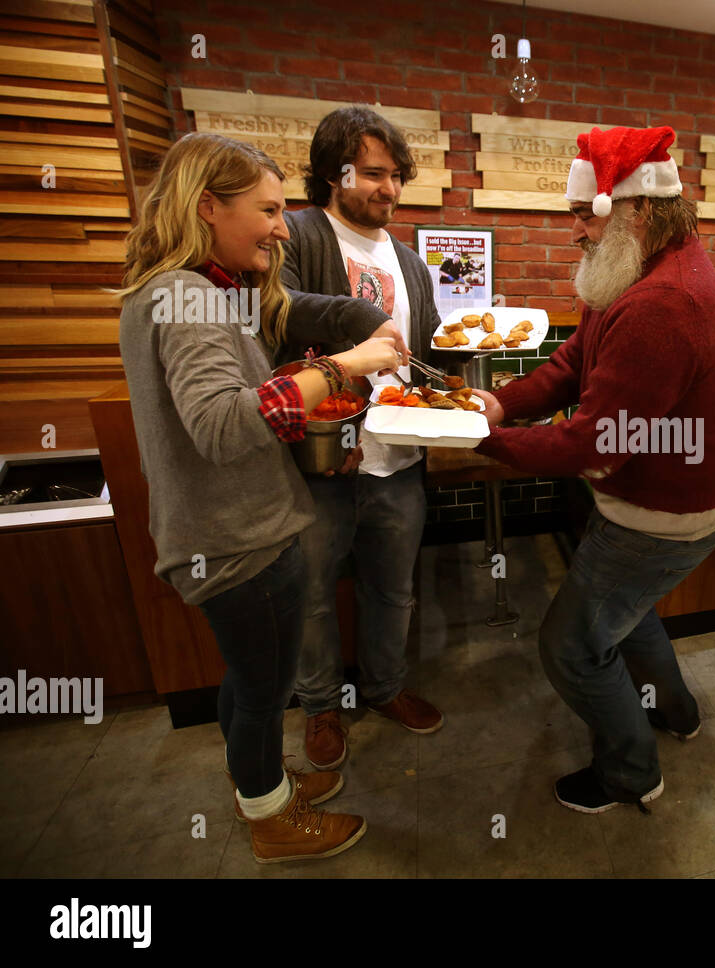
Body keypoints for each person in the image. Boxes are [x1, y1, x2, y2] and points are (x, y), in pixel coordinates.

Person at [116, 132, 401, 862]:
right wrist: (344, 368)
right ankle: (272, 821)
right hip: (233, 542)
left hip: (233, 531)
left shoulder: (194, 288)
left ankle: (262, 786)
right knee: (261, 692)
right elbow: (219, 424)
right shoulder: (185, 295)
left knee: (250, 683)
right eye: (269, 210)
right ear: (208, 205)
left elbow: (240, 400)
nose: (282, 227)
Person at [472, 125, 715, 813]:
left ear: (637, 209)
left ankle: (630, 773)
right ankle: (675, 712)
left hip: (662, 516)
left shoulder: (660, 303)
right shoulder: (640, 270)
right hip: (663, 505)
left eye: (578, 214)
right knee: (629, 612)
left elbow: (594, 443)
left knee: (569, 646)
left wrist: (477, 440)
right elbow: (569, 367)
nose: (573, 231)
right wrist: (497, 405)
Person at [279, 107, 445, 770]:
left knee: (394, 589)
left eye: (397, 176)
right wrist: (356, 316)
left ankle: (383, 688)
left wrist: (457, 395)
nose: (390, 189)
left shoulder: (410, 260)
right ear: (332, 172)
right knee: (313, 592)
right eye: (374, 174)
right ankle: (320, 707)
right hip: (320, 462)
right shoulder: (294, 233)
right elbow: (277, 312)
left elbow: (425, 350)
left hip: (398, 461)